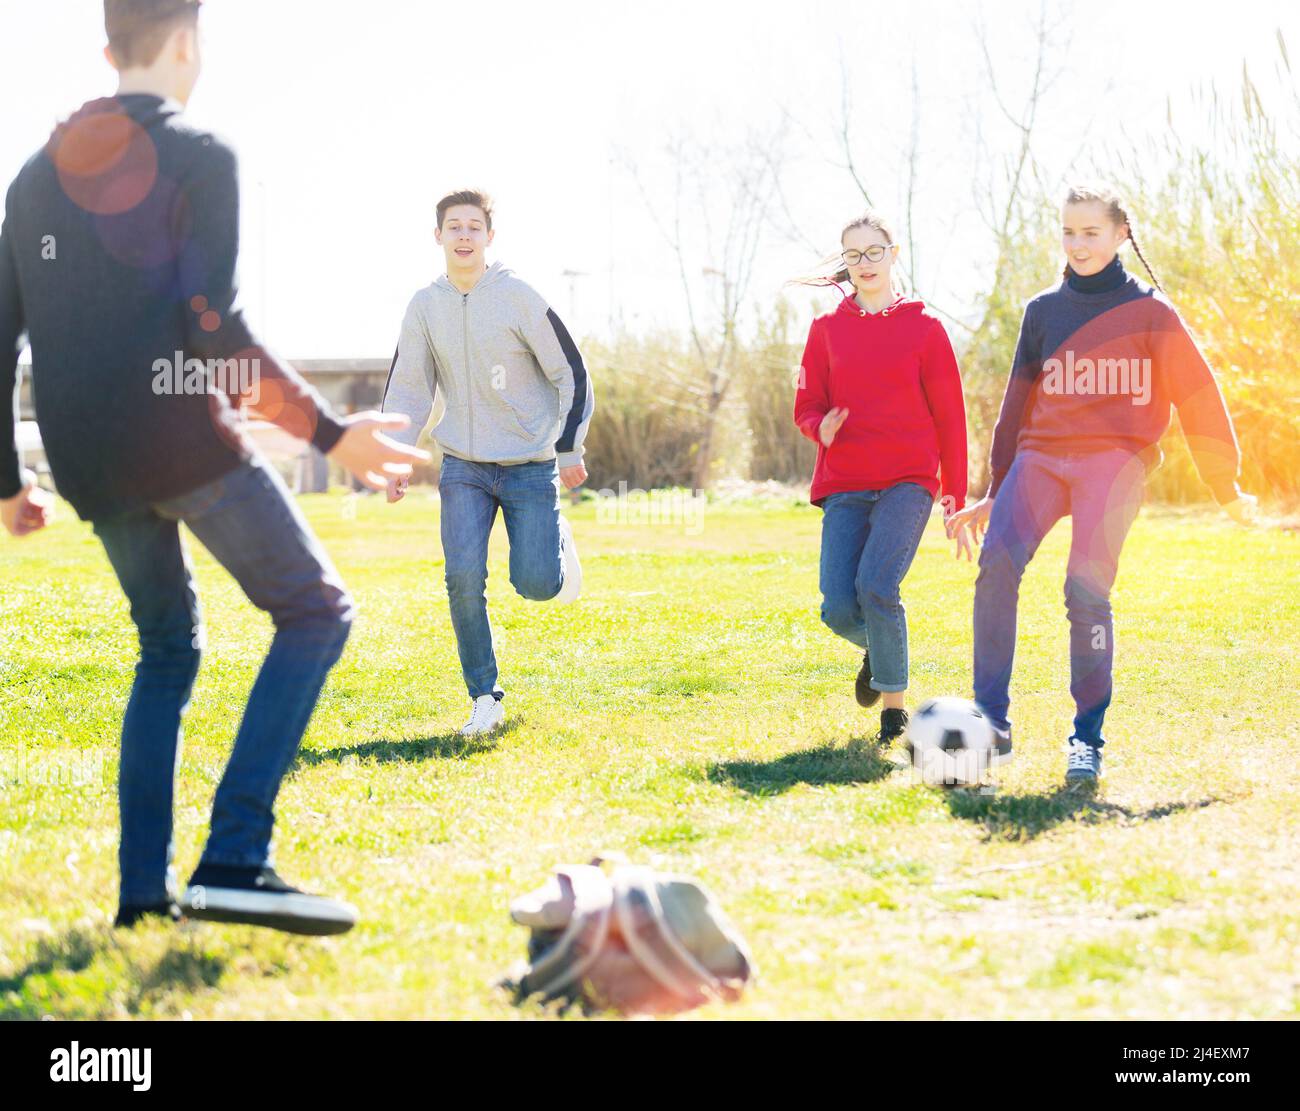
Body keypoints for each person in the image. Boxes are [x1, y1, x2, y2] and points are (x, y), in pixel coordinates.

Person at [0, 0, 429, 932]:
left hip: (86, 460)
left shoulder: (34, 176)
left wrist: (7, 480)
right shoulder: (202, 150)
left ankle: (143, 896)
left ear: (108, 48)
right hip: (176, 442)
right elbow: (213, 327)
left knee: (166, 648)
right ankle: (236, 854)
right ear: (188, 41)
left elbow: (2, 334)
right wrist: (329, 436)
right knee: (315, 610)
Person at [947, 183, 1256, 784]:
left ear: (1120, 236)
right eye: (1068, 231)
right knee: (996, 567)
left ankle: (1086, 738)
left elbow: (1199, 398)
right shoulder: (1042, 312)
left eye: (1091, 232)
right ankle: (991, 719)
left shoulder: (1151, 314)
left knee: (1085, 592)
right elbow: (1015, 408)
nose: (1078, 243)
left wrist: (1226, 488)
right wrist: (994, 488)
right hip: (1040, 458)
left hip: (1114, 465)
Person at [382, 190, 595, 737]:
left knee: (537, 584)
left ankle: (553, 541)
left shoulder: (519, 296)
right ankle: (484, 696)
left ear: (489, 237)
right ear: (438, 236)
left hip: (527, 463)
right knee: (461, 577)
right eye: (453, 226)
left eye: (474, 227)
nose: (463, 236)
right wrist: (398, 456)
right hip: (463, 467)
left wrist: (568, 446)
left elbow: (573, 372)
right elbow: (409, 388)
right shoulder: (424, 306)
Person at [793, 211, 970, 744]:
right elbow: (806, 404)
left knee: (878, 585)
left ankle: (894, 713)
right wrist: (818, 426)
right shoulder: (825, 331)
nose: (864, 263)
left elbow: (951, 416)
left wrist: (955, 492)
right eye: (853, 254)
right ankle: (879, 647)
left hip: (908, 479)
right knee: (837, 607)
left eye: (874, 252)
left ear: (894, 255)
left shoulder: (925, 328)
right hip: (845, 481)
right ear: (844, 263)